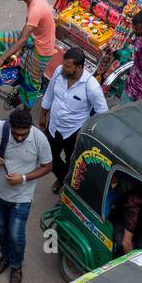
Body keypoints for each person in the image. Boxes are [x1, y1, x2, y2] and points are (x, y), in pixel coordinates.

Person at [0, 106, 53, 283]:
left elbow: (47, 166)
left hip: (22, 197)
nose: (20, 137)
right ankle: (5, 257)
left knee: (16, 234)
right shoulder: (0, 128)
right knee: (2, 228)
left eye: (24, 134)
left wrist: (23, 178)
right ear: (9, 127)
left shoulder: (39, 139)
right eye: (16, 134)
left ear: (30, 128)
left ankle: (16, 265)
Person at [40, 47, 107, 194]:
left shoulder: (92, 87)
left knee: (75, 164)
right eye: (64, 64)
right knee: (48, 157)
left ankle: (69, 191)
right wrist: (42, 115)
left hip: (74, 133)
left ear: (79, 67)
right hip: (53, 126)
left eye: (67, 66)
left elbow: (102, 114)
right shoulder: (59, 72)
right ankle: (63, 178)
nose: (63, 67)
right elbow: (49, 93)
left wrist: (85, 134)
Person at [0, 0, 60, 106]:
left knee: (30, 84)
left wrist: (2, 57)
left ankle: (26, 109)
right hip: (34, 39)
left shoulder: (35, 9)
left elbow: (22, 39)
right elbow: (27, 26)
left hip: (42, 50)